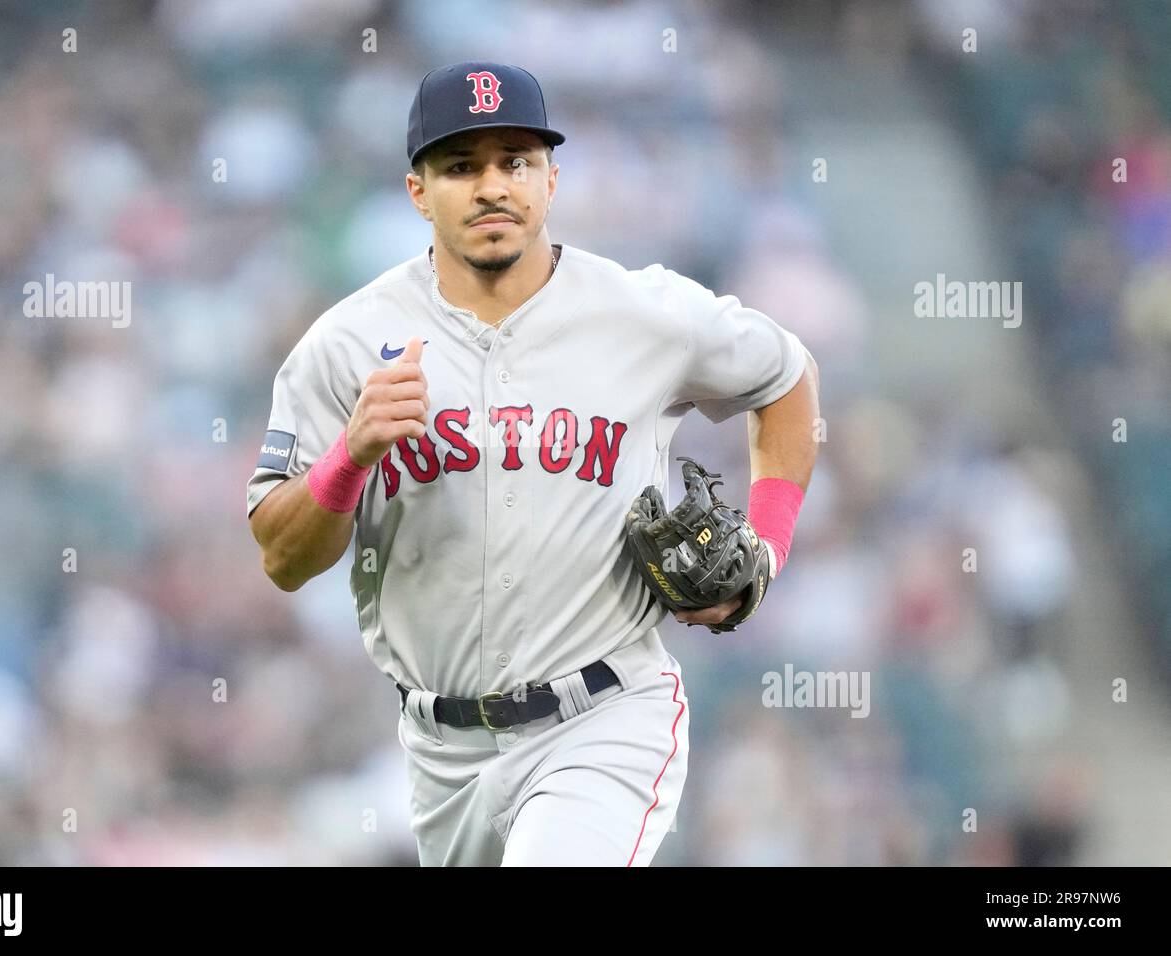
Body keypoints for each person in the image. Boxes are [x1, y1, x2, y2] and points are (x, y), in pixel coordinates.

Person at [247, 61, 820, 866]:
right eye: (461, 166)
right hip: (441, 755)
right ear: (418, 191)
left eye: (516, 161)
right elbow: (281, 557)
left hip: (604, 720)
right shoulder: (344, 346)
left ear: (552, 178)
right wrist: (349, 456)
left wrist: (766, 545)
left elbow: (787, 378)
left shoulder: (642, 313)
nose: (492, 186)